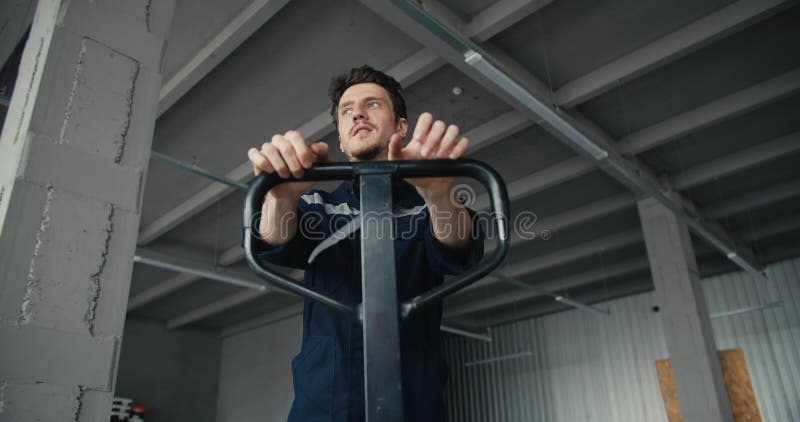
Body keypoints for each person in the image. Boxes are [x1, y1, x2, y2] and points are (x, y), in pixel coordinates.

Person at [246, 65, 483, 422]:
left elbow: (456, 245)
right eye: (347, 110)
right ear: (341, 137)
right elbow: (276, 237)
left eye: (373, 104)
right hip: (324, 408)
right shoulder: (317, 208)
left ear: (400, 126)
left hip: (414, 408)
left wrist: (438, 194)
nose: (357, 112)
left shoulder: (427, 209)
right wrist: (278, 198)